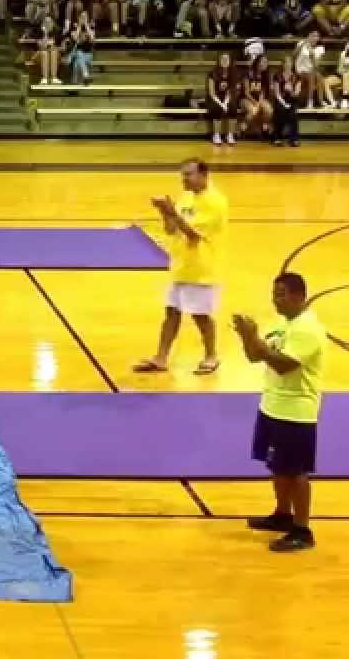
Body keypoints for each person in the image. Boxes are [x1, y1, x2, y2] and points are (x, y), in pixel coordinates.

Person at [234, 272, 325, 552]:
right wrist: (245, 337)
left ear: (299, 296)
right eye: (274, 295)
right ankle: (282, 514)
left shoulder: (307, 328)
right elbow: (255, 357)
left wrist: (255, 339)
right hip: (272, 404)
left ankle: (302, 529)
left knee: (295, 470)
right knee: (276, 465)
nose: (276, 301)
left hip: (296, 410)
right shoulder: (283, 323)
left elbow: (283, 364)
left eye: (281, 295)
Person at [134, 158, 228, 375]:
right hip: (180, 265)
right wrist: (164, 212)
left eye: (188, 175)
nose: (184, 179)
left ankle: (211, 355)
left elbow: (194, 236)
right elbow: (170, 230)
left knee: (200, 315)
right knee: (171, 312)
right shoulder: (186, 198)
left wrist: (172, 212)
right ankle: (161, 358)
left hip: (202, 268)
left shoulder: (215, 202)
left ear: (203, 175)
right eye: (182, 175)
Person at [205, 52, 237, 146]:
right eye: (223, 59)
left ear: (230, 61)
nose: (225, 61)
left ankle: (230, 135)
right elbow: (212, 93)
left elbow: (230, 91)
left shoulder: (232, 73)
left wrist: (226, 103)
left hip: (226, 98)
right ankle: (216, 135)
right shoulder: (213, 73)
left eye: (227, 59)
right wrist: (221, 104)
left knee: (233, 107)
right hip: (214, 98)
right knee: (216, 108)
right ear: (219, 61)